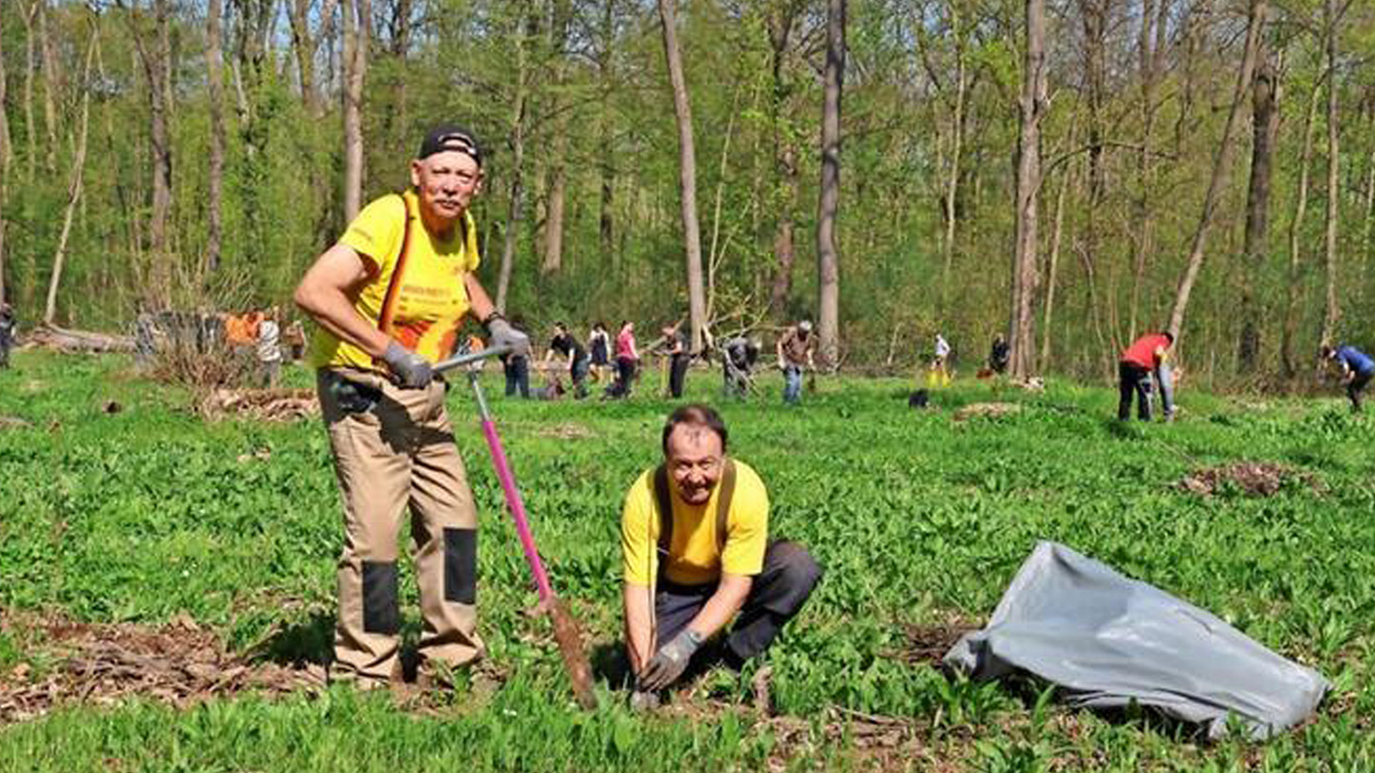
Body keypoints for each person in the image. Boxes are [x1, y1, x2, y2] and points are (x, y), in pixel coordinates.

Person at [293, 124, 530, 689]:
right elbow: (314, 291)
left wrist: (493, 318)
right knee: (377, 535)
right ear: (416, 172)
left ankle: (450, 658)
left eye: (463, 176)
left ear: (477, 185)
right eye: (440, 172)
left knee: (457, 525)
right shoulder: (387, 220)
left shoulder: (460, 228)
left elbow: (461, 273)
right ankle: (365, 666)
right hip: (366, 394)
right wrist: (391, 350)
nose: (450, 185)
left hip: (428, 399)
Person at [620, 405, 821, 703]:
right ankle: (695, 643)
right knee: (652, 667)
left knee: (796, 567)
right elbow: (638, 591)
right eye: (683, 465)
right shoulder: (644, 497)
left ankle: (734, 659)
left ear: (724, 458)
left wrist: (685, 645)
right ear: (666, 460)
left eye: (706, 464)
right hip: (678, 588)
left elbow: (736, 586)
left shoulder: (746, 490)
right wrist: (643, 677)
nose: (696, 477)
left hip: (731, 577)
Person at [1118, 331, 1173, 421]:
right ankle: (1145, 421)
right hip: (1138, 365)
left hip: (1125, 362)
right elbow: (1158, 352)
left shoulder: (1147, 338)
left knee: (1126, 396)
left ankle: (1123, 419)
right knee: (1144, 395)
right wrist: (1162, 361)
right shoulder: (1163, 340)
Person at [1322, 344, 1375, 413]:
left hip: (1364, 369)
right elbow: (1352, 370)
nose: (1331, 360)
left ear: (1330, 353)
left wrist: (1344, 378)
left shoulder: (1339, 354)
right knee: (1356, 388)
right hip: (1371, 367)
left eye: (1329, 358)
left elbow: (1345, 368)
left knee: (1352, 389)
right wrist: (1348, 378)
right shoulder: (1346, 349)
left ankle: (1358, 411)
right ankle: (1359, 407)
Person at [545, 321, 590, 399]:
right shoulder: (556, 339)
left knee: (580, 376)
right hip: (573, 360)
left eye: (556, 330)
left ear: (563, 331)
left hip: (581, 358)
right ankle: (580, 395)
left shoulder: (569, 338)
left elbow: (571, 352)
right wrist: (545, 362)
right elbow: (551, 351)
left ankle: (582, 396)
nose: (554, 332)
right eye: (554, 330)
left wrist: (569, 364)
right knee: (574, 378)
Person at [776, 320, 815, 405]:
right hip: (789, 361)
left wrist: (810, 361)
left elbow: (809, 349)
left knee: (798, 386)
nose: (804, 334)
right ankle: (787, 404)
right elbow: (780, 344)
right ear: (800, 329)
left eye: (806, 332)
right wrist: (780, 359)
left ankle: (795, 405)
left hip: (800, 363)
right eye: (803, 331)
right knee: (792, 383)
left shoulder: (809, 336)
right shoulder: (792, 332)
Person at [502, 316, 531, 399]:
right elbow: (528, 346)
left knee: (512, 379)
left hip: (516, 358)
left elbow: (516, 347)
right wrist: (531, 356)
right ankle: (523, 397)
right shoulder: (522, 334)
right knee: (521, 379)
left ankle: (511, 396)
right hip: (519, 358)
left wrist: (509, 357)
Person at [609, 320, 639, 399]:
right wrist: (637, 358)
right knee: (628, 377)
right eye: (631, 326)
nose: (632, 328)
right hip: (628, 358)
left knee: (622, 377)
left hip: (620, 358)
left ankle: (619, 394)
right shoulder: (629, 336)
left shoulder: (619, 336)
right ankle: (626, 394)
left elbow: (618, 349)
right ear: (626, 325)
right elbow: (632, 349)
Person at [661, 323, 691, 399]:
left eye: (665, 332)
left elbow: (679, 349)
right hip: (676, 358)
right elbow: (669, 347)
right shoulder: (669, 337)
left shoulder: (678, 335)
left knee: (677, 377)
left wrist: (669, 352)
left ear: (670, 329)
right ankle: (672, 394)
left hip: (682, 358)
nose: (664, 334)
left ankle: (677, 396)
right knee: (672, 377)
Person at [257, 307, 283, 388]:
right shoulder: (274, 326)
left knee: (261, 377)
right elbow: (277, 321)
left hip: (263, 354)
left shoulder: (261, 326)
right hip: (274, 354)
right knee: (274, 377)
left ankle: (259, 391)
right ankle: (273, 391)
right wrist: (276, 312)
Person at [0, 304, 15, 369]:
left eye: (7, 309)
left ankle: (6, 363)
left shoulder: (12, 318)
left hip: (7, 337)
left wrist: (12, 335)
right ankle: (1, 362)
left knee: (6, 351)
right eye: (4, 309)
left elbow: (13, 327)